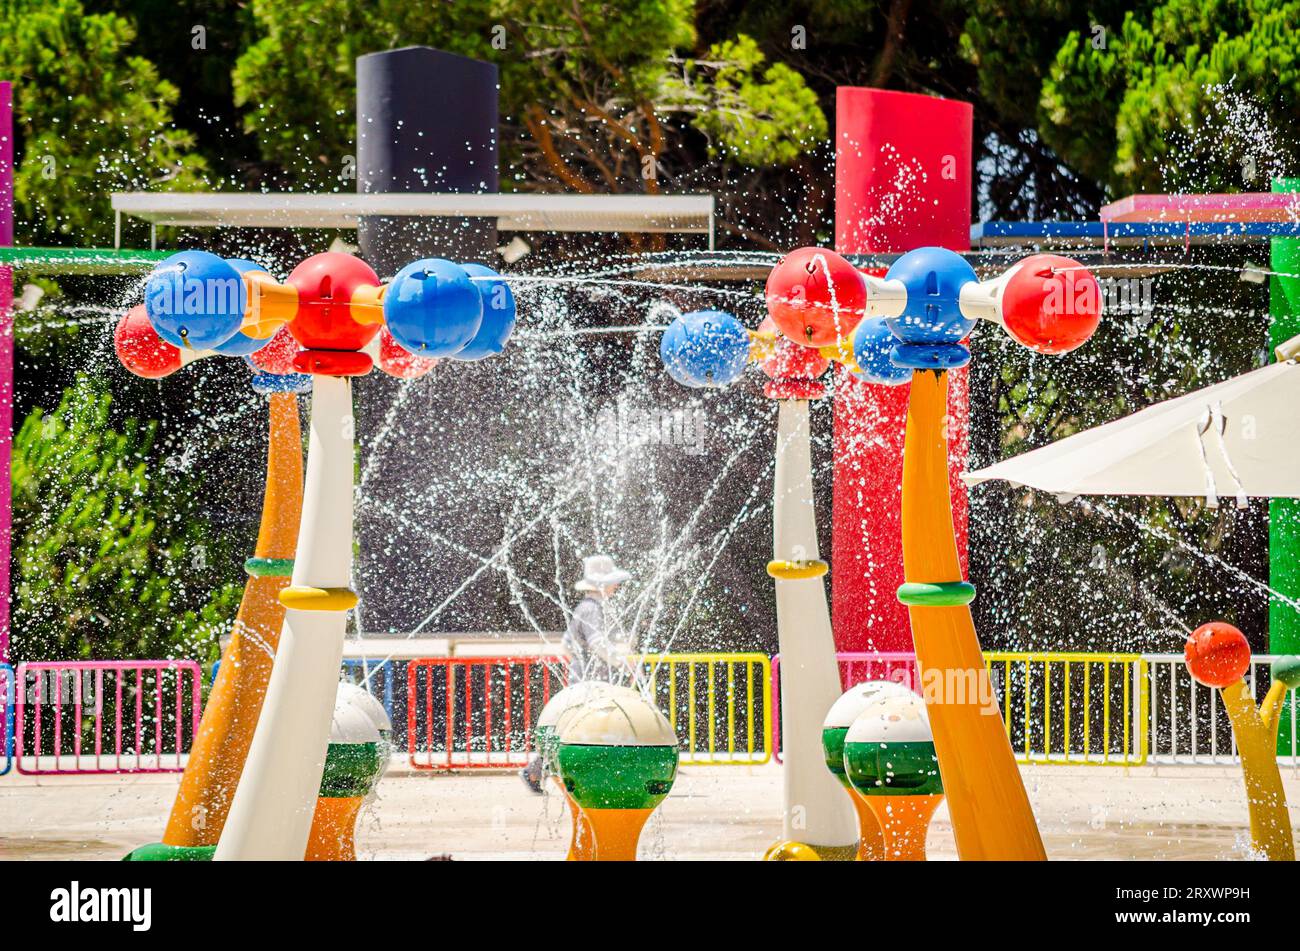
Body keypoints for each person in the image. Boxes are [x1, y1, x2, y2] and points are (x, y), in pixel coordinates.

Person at [522, 554, 634, 793]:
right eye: (613, 582)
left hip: (583, 678)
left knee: (574, 725)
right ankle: (537, 769)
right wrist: (621, 663)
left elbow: (567, 642)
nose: (616, 587)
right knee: (581, 726)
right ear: (603, 584)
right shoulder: (592, 608)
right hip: (590, 682)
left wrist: (579, 662)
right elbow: (597, 643)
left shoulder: (584, 608)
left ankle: (537, 769)